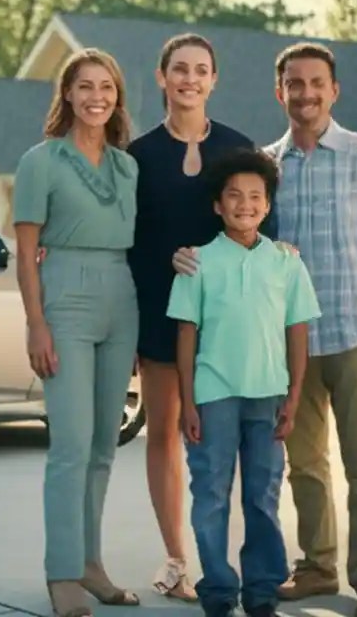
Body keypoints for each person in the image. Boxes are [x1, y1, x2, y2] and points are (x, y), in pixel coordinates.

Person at [172, 42, 357, 617]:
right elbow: (238, 236)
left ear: (334, 90)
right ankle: (318, 566)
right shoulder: (266, 166)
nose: (306, 93)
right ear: (279, 92)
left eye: (316, 82)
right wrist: (183, 256)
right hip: (284, 349)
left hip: (352, 332)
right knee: (304, 465)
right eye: (294, 83)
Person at [125, 32, 275, 602]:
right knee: (164, 433)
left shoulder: (239, 149)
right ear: (162, 77)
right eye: (179, 69)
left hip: (229, 322)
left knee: (229, 446)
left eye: (200, 70)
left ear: (214, 80)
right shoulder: (138, 156)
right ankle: (175, 561)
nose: (189, 79)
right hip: (160, 312)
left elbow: (260, 225)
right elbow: (127, 239)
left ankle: (236, 564)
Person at [12, 47, 143, 617]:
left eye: (106, 87)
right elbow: (25, 253)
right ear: (67, 93)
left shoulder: (127, 167)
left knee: (103, 446)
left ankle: (91, 563)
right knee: (70, 445)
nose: (96, 97)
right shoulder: (40, 162)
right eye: (85, 86)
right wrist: (36, 323)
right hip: (64, 295)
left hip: (122, 296)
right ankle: (62, 572)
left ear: (117, 97)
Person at [168, 148, 321, 617]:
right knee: (211, 496)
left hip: (268, 396)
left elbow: (297, 331)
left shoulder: (286, 263)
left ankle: (261, 590)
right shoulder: (196, 262)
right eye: (234, 195)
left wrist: (294, 396)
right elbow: (186, 334)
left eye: (256, 196)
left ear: (268, 205)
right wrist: (188, 402)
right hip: (213, 396)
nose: (245, 204)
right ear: (218, 205)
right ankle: (217, 589)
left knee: (262, 497)